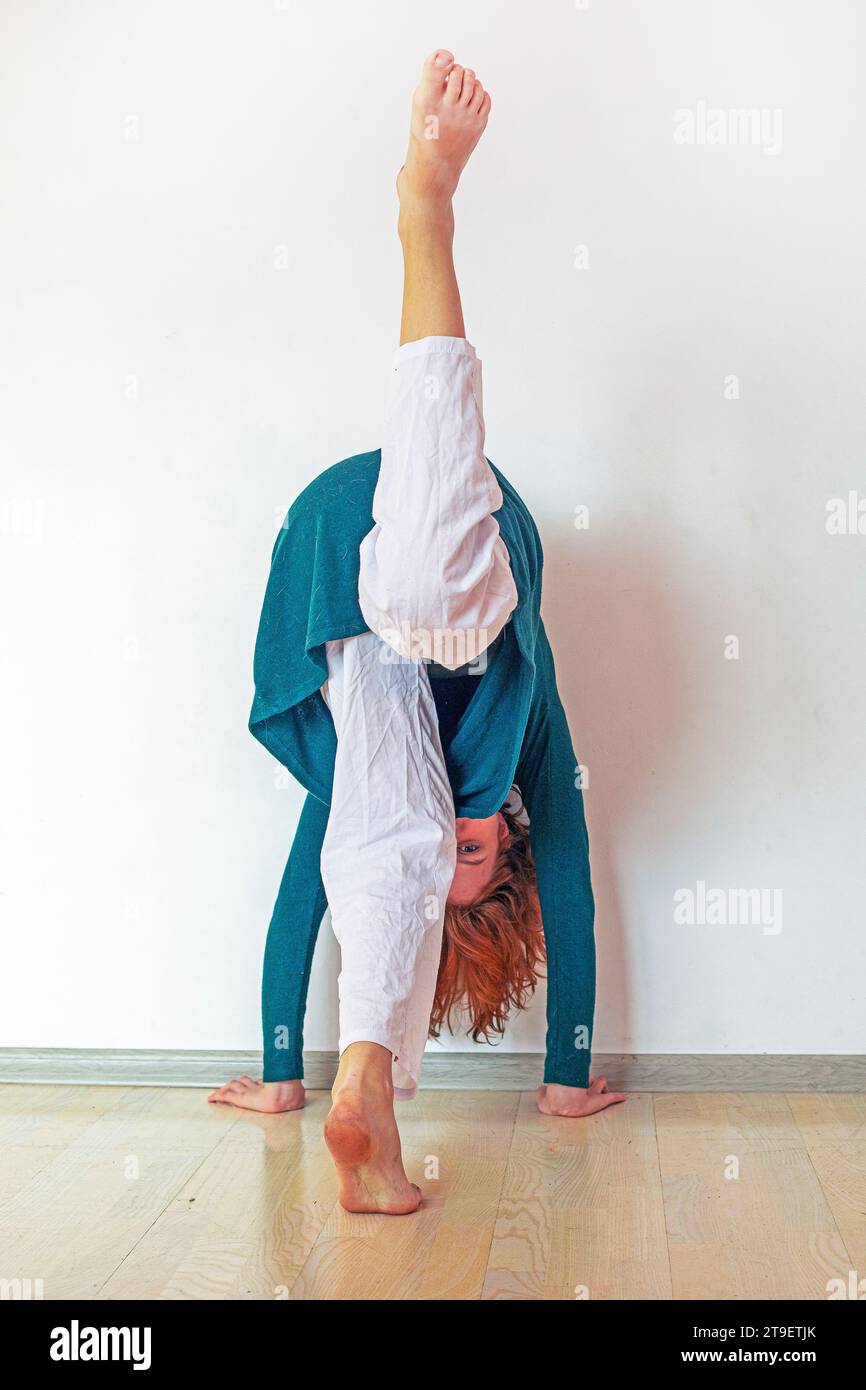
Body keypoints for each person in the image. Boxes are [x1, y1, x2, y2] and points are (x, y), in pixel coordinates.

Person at [210, 51, 625, 1214]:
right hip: (427, 536)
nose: (462, 835)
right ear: (513, 845)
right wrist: (564, 1074)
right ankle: (425, 219)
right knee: (437, 614)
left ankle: (363, 1094)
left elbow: (308, 897)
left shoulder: (406, 826)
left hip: (324, 578)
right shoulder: (534, 759)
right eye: (477, 853)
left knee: (379, 833)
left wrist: (281, 1066)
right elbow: (577, 891)